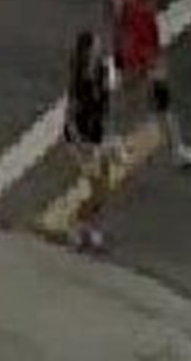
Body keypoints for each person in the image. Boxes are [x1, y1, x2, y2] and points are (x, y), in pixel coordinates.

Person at [107, 0, 191, 169]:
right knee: (134, 95)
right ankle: (111, 140)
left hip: (146, 42)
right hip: (135, 44)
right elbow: (118, 13)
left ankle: (177, 149)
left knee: (158, 95)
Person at [63, 29, 113, 252]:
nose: (100, 50)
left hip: (97, 135)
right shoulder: (80, 81)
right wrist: (79, 143)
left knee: (104, 186)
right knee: (96, 188)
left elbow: (105, 108)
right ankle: (77, 224)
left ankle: (89, 225)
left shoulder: (102, 74)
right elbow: (70, 116)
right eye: (96, 47)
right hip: (80, 139)